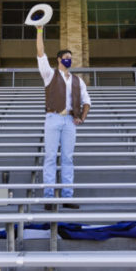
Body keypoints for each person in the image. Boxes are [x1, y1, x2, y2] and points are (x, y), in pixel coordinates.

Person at [36, 26, 91, 210]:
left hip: (69, 121)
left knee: (67, 158)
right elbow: (40, 53)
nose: (69, 60)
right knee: (51, 157)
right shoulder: (49, 74)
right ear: (59, 60)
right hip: (53, 118)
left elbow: (87, 101)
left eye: (70, 58)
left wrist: (81, 118)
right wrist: (39, 31)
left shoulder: (78, 80)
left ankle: (67, 196)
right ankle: (49, 198)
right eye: (66, 58)